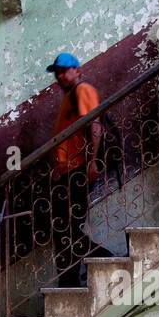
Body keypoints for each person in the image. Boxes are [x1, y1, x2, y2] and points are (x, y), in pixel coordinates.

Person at [44, 52, 104, 288]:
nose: (59, 76)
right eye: (57, 72)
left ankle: (106, 259)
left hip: (78, 171)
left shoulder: (82, 90)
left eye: (63, 70)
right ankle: (68, 283)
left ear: (77, 70)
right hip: (65, 173)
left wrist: (92, 161)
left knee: (68, 229)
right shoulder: (69, 97)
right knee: (62, 230)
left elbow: (95, 125)